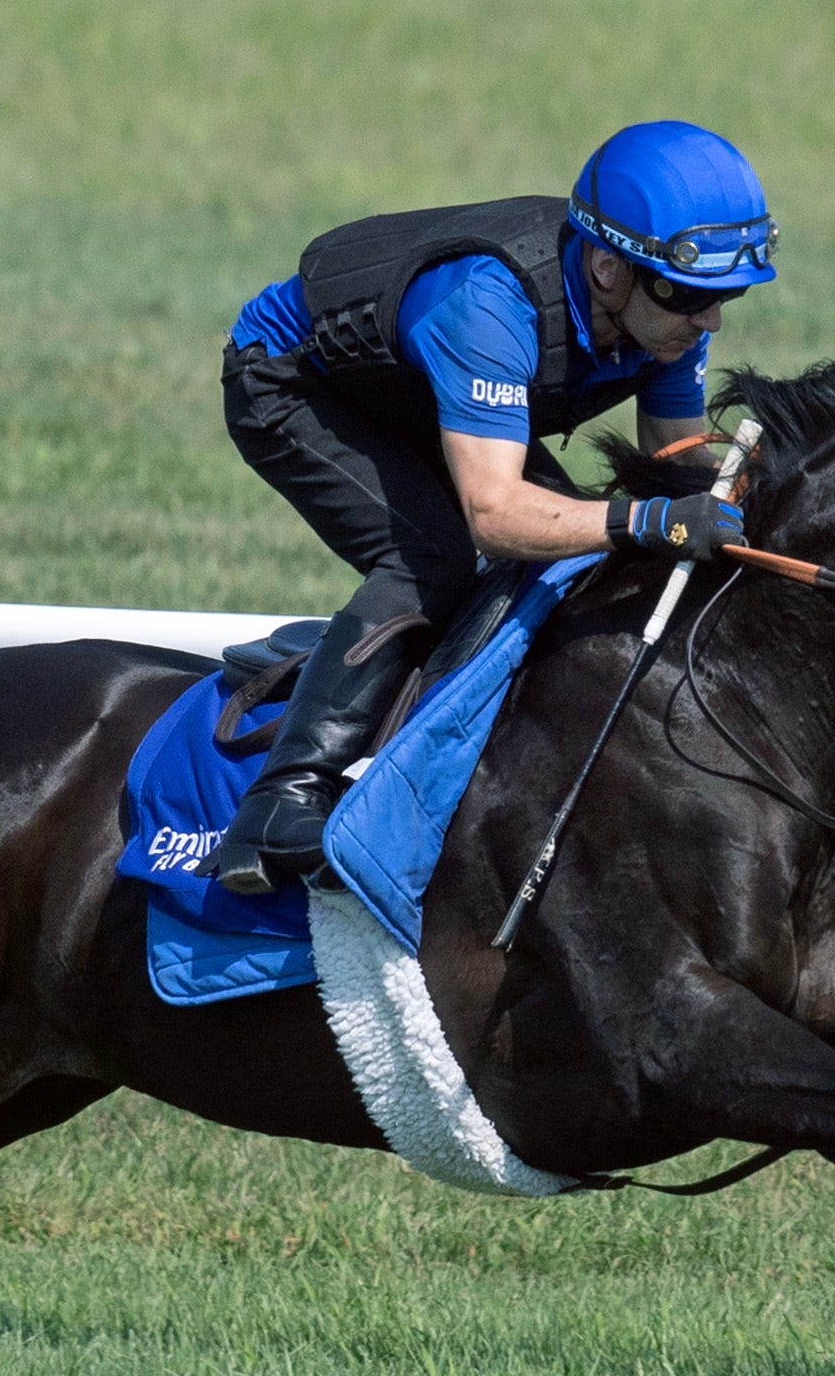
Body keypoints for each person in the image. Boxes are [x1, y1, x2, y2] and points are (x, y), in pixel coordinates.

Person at [199, 120, 778, 895]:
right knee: (435, 555)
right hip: (292, 386)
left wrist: (737, 501)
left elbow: (677, 471)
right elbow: (496, 515)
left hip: (414, 386)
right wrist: (643, 523)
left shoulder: (665, 317)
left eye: (725, 296)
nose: (710, 319)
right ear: (608, 268)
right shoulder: (489, 302)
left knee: (571, 541)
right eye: (692, 296)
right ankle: (282, 799)